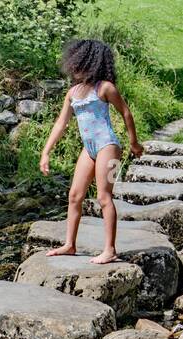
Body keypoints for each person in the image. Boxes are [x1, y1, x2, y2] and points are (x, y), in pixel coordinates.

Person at [39, 38, 144, 264]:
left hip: (109, 147)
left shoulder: (105, 87)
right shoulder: (73, 93)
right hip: (89, 149)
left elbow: (126, 113)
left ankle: (109, 249)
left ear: (90, 63)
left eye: (79, 64)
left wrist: (134, 143)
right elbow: (61, 123)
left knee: (104, 197)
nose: (74, 68)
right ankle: (69, 244)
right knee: (75, 195)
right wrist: (46, 152)